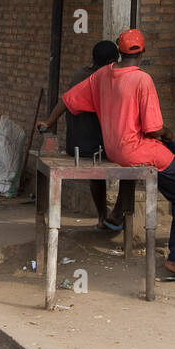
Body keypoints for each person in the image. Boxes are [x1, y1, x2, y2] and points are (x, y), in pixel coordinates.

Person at [38, 28, 175, 281]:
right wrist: (168, 131)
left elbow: (68, 99)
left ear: (119, 51)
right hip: (137, 149)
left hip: (114, 148)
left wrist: (48, 122)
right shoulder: (142, 80)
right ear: (144, 52)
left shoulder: (103, 75)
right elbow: (154, 129)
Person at [63, 39, 120, 228]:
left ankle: (103, 216)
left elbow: (65, 101)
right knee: (134, 164)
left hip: (74, 145)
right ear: (112, 60)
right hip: (93, 148)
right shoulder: (102, 79)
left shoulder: (79, 74)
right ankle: (116, 215)